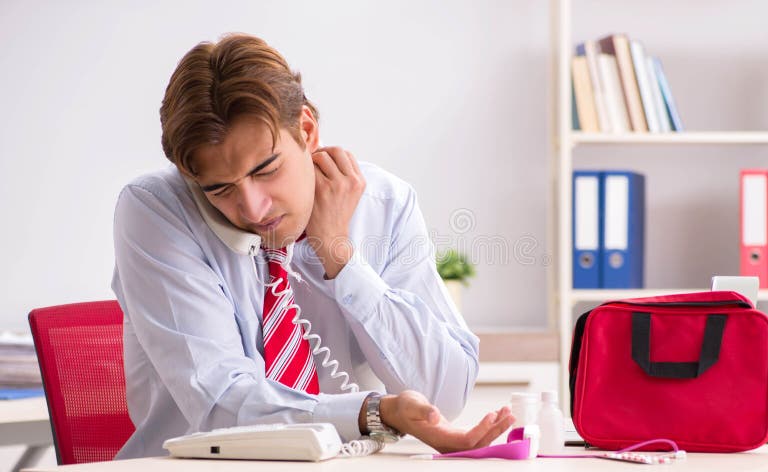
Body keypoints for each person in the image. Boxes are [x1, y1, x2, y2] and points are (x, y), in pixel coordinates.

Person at [111, 33, 513, 459]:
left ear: (306, 129)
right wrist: (373, 413)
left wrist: (340, 256)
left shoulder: (383, 204)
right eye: (219, 188)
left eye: (266, 170)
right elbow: (219, 405)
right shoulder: (157, 210)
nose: (252, 208)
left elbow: (444, 396)